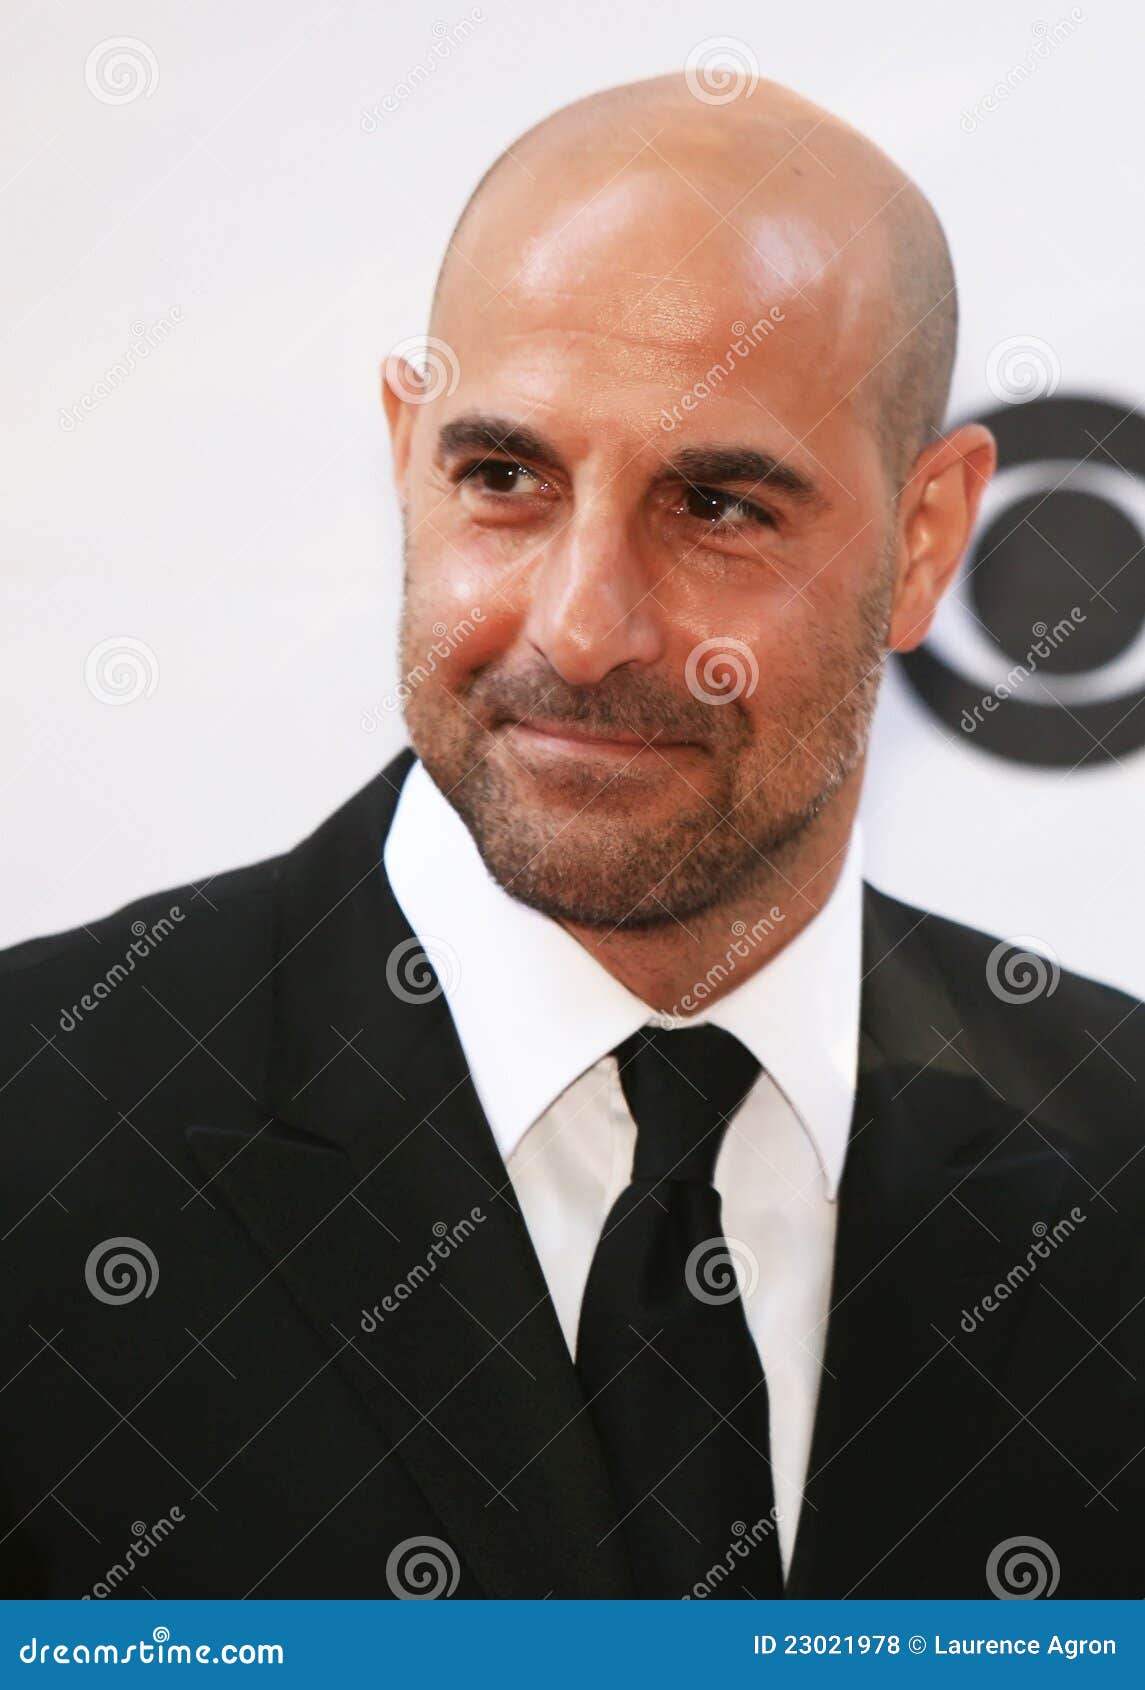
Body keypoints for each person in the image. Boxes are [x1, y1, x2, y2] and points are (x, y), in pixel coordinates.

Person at [1, 73, 1140, 1601]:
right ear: (407, 453)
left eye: (720, 505)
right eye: (504, 479)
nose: (585, 625)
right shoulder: (40, 1126)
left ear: (926, 538)